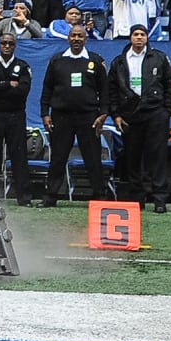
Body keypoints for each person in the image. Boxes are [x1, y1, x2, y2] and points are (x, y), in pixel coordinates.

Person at [38, 24, 109, 207]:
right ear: (68, 38)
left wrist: (103, 114)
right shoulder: (57, 61)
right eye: (73, 35)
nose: (76, 39)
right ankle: (51, 196)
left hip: (89, 117)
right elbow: (47, 89)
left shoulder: (95, 60)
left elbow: (104, 91)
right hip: (61, 117)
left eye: (80, 36)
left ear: (86, 39)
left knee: (93, 157)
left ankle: (99, 197)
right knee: (58, 158)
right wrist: (45, 113)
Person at [109, 24, 171, 212]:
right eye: (135, 34)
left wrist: (166, 111)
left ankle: (160, 199)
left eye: (142, 34)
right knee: (133, 158)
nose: (139, 37)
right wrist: (117, 114)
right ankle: (137, 199)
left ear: (147, 38)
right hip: (130, 115)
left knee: (158, 158)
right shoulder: (119, 62)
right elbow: (112, 90)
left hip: (155, 113)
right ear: (130, 38)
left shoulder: (159, 58)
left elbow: (168, 85)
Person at [0, 33, 34, 207]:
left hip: (16, 115)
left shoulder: (23, 66)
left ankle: (24, 197)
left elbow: (23, 91)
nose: (7, 46)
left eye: (10, 43)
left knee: (19, 155)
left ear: (15, 46)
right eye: (4, 43)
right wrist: (8, 84)